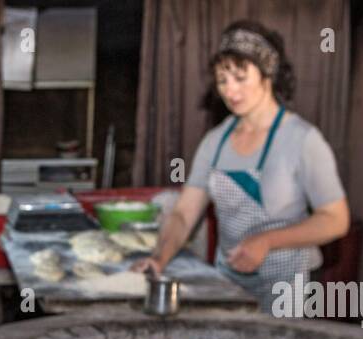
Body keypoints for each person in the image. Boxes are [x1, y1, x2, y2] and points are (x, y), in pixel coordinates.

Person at [133, 21, 350, 313]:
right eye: (222, 80)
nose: (230, 90)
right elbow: (184, 214)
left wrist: (267, 241)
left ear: (267, 74)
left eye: (240, 77)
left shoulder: (302, 140)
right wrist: (160, 258)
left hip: (288, 285)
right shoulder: (215, 142)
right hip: (229, 281)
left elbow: (335, 220)